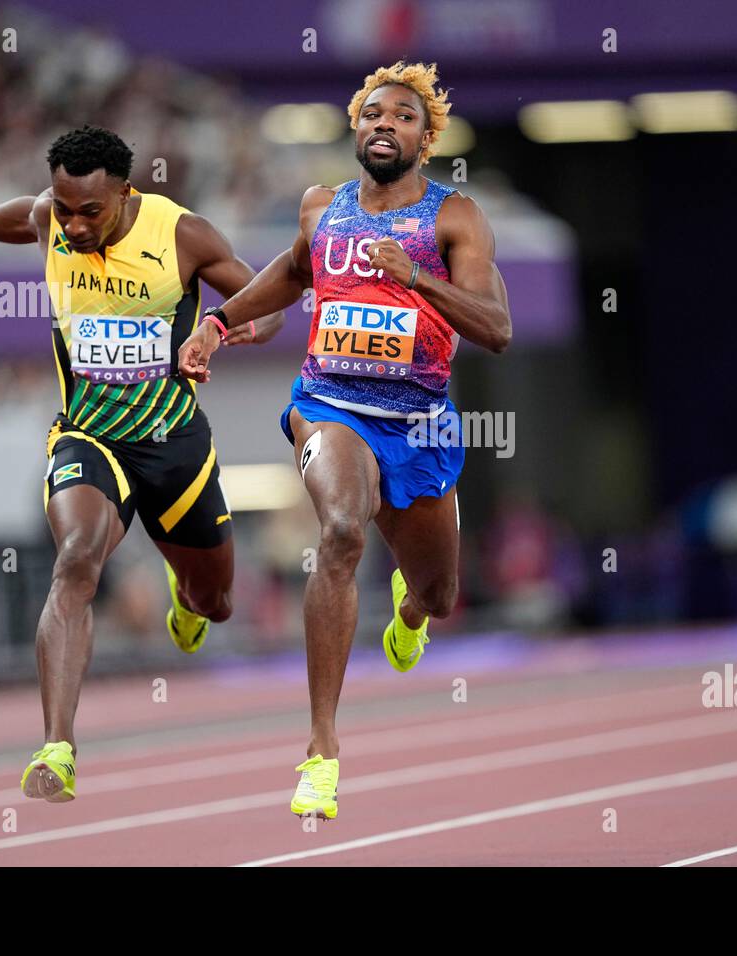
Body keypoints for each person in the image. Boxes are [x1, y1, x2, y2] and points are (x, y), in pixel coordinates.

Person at [0, 125, 284, 799]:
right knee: (76, 559)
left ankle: (187, 602)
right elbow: (22, 217)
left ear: (124, 194)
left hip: (173, 443)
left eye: (90, 213)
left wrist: (219, 331)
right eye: (64, 208)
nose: (72, 226)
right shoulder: (52, 215)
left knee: (215, 602)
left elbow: (270, 301)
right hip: (88, 434)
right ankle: (58, 748)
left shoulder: (181, 234)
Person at [179, 62, 511, 818]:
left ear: (426, 140)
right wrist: (219, 323)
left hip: (419, 419)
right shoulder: (321, 209)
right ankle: (321, 751)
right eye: (372, 116)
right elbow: (291, 275)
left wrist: (419, 280)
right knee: (338, 530)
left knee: (441, 591)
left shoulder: (455, 217)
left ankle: (411, 611)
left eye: (401, 118)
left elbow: (497, 330)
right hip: (331, 402)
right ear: (355, 130)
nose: (383, 126)